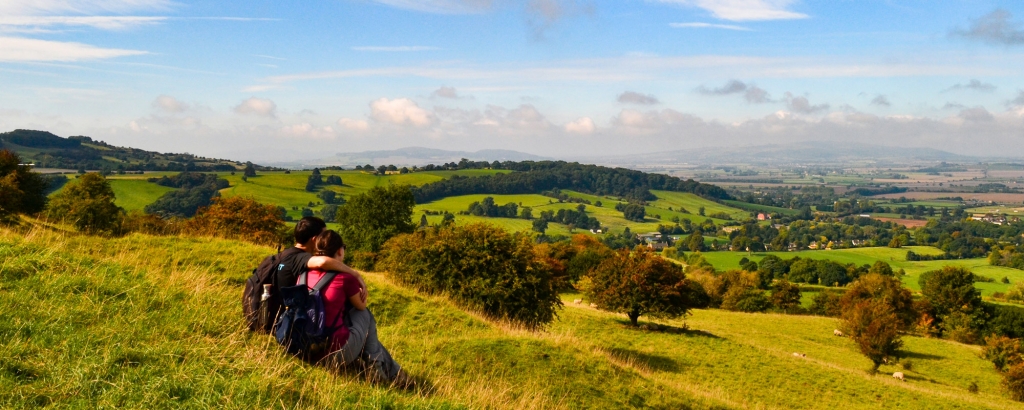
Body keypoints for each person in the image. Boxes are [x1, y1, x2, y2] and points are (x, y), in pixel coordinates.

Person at [308, 230, 412, 388]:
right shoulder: (345, 279)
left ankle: (388, 371)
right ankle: (377, 370)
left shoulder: (303, 275)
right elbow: (361, 305)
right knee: (365, 314)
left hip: (306, 351)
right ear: (340, 250)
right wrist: (363, 288)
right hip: (335, 354)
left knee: (360, 324)